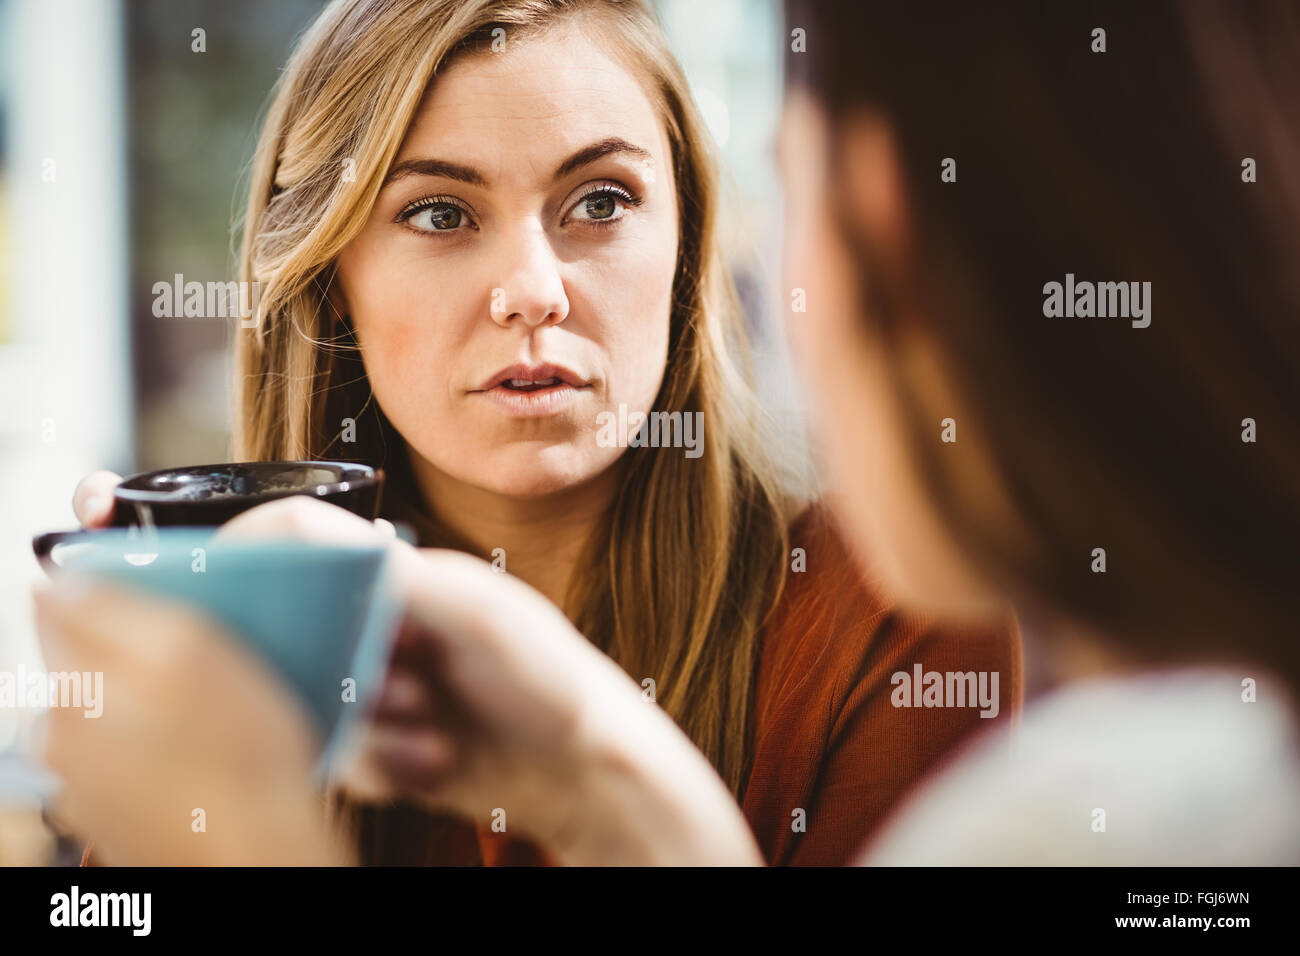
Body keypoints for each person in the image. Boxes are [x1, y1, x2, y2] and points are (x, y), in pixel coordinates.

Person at [34, 0, 1019, 868]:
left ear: (686, 240)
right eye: (440, 213)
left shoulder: (894, 611)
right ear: (332, 279)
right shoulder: (234, 643)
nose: (534, 291)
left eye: (601, 201)